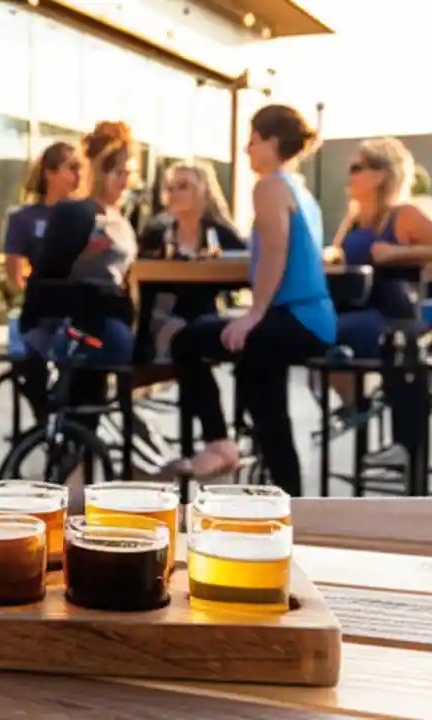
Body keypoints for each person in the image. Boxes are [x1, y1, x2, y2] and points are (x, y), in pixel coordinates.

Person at [169, 104, 336, 495]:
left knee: (187, 341)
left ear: (272, 142)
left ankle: (220, 444)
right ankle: (290, 502)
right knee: (267, 404)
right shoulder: (298, 189)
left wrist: (253, 313)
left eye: (253, 140)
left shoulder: (269, 187)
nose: (246, 150)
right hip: (311, 318)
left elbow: (276, 251)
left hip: (295, 317)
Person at [329, 137, 432, 468]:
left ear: (380, 174)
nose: (348, 175)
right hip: (355, 307)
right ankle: (360, 404)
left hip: (392, 313)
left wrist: (399, 252)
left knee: (330, 332)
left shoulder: (403, 214)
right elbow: (341, 259)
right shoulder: (354, 218)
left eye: (356, 168)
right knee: (313, 328)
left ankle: (375, 416)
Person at [22, 121, 138, 366]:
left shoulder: (122, 217)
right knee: (120, 344)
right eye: (119, 173)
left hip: (112, 311)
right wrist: (86, 255)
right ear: (100, 173)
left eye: (129, 173)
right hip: (81, 316)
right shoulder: (79, 213)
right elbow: (51, 272)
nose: (126, 182)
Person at [137, 160, 245, 363]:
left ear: (203, 191)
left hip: (204, 316)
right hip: (162, 316)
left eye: (183, 186)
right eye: (170, 188)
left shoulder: (219, 233)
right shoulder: (157, 232)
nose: (174, 193)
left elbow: (246, 269)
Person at [2, 141, 82, 291]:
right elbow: (13, 270)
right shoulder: (23, 218)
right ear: (50, 173)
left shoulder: (89, 214)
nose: (79, 175)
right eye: (72, 168)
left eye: (80, 168)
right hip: (44, 304)